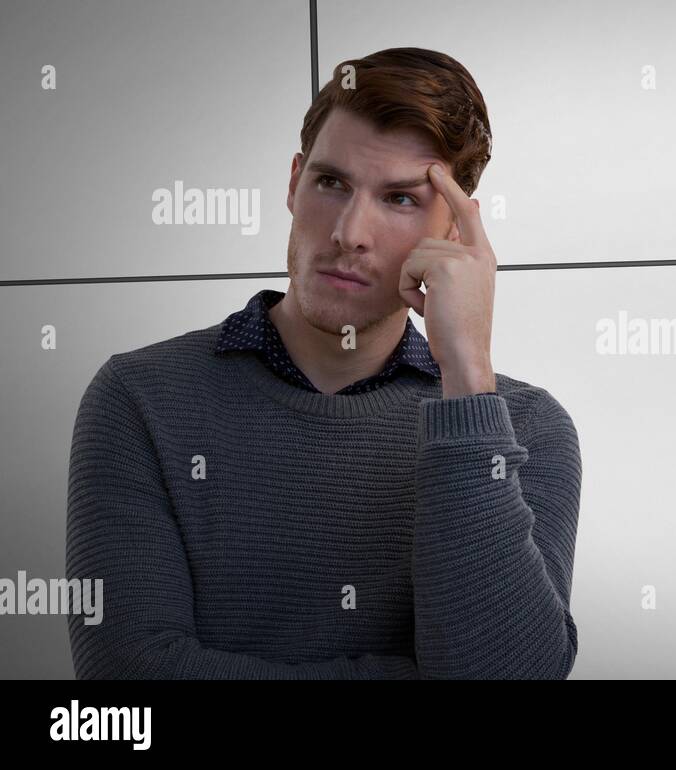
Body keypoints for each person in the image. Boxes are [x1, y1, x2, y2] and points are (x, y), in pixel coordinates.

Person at [64, 48, 582, 679]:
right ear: (292, 182)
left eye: (399, 199)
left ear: (453, 234)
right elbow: (127, 689)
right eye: (331, 182)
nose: (348, 232)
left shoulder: (523, 427)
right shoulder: (140, 397)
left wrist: (469, 379)